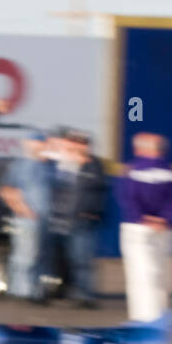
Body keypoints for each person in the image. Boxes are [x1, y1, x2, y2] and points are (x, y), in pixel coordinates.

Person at [115, 132, 172, 321]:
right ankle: (159, 314)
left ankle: (144, 315)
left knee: (141, 272)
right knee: (162, 273)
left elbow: (127, 198)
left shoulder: (132, 170)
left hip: (137, 228)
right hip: (164, 229)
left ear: (140, 149)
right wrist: (164, 219)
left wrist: (142, 219)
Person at [46, 129, 107, 307]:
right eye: (74, 142)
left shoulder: (93, 165)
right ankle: (56, 291)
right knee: (54, 259)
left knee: (81, 259)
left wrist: (94, 211)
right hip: (55, 219)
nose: (78, 146)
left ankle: (84, 295)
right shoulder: (56, 163)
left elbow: (100, 189)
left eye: (82, 143)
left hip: (81, 220)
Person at [0, 130, 55, 302]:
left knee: (40, 255)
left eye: (42, 142)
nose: (40, 145)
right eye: (36, 142)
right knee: (24, 255)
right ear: (28, 144)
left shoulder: (49, 165)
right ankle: (19, 290)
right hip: (26, 219)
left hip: (46, 219)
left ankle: (36, 291)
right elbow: (7, 190)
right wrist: (23, 209)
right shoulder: (20, 165)